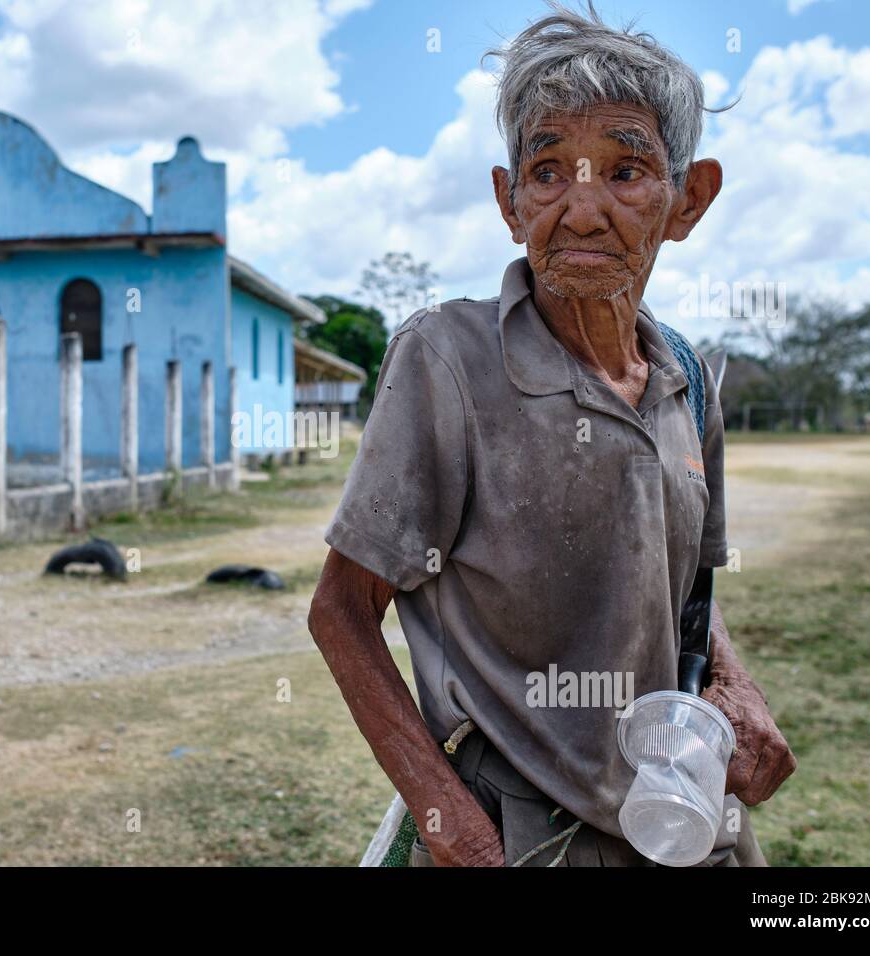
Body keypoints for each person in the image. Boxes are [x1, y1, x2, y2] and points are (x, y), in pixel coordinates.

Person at [307, 2, 796, 867]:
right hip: (519, 828)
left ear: (688, 201)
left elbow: (685, 596)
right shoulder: (447, 361)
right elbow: (342, 614)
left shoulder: (686, 376)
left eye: (626, 168)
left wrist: (733, 681)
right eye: (548, 171)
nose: (580, 210)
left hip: (679, 814)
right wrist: (448, 823)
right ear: (508, 199)